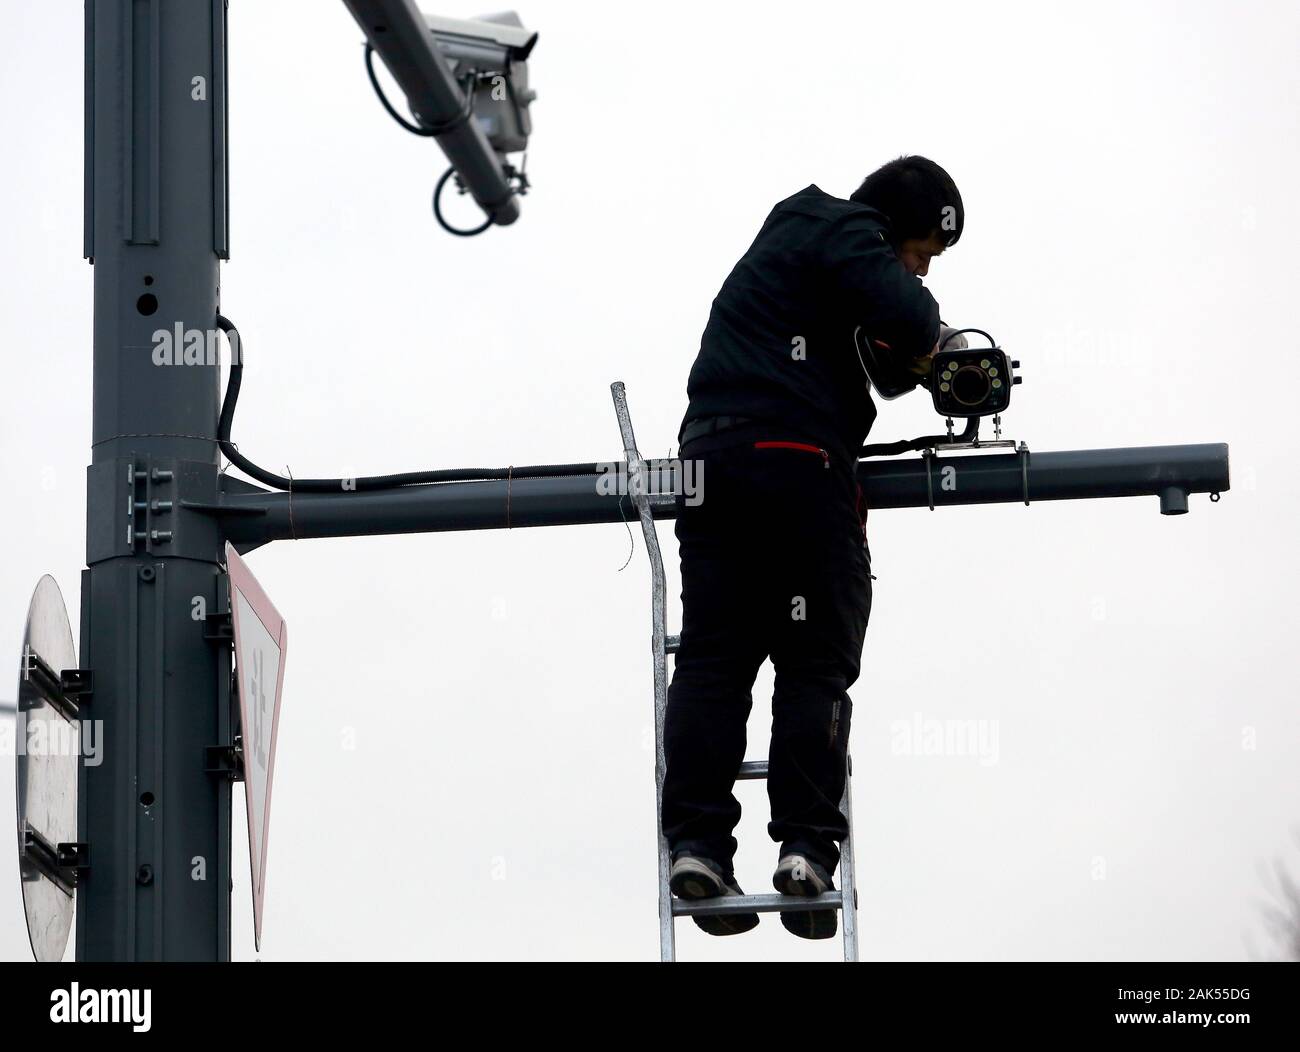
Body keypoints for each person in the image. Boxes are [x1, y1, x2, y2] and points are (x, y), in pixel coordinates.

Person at [663, 155, 964, 940]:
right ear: (901, 224)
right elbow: (910, 316)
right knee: (814, 660)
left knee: (714, 659)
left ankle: (695, 844)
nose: (917, 266)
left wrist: (902, 360)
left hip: (712, 467)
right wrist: (937, 337)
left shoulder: (797, 247)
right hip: (796, 461)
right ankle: (805, 849)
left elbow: (880, 343)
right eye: (924, 251)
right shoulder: (838, 223)